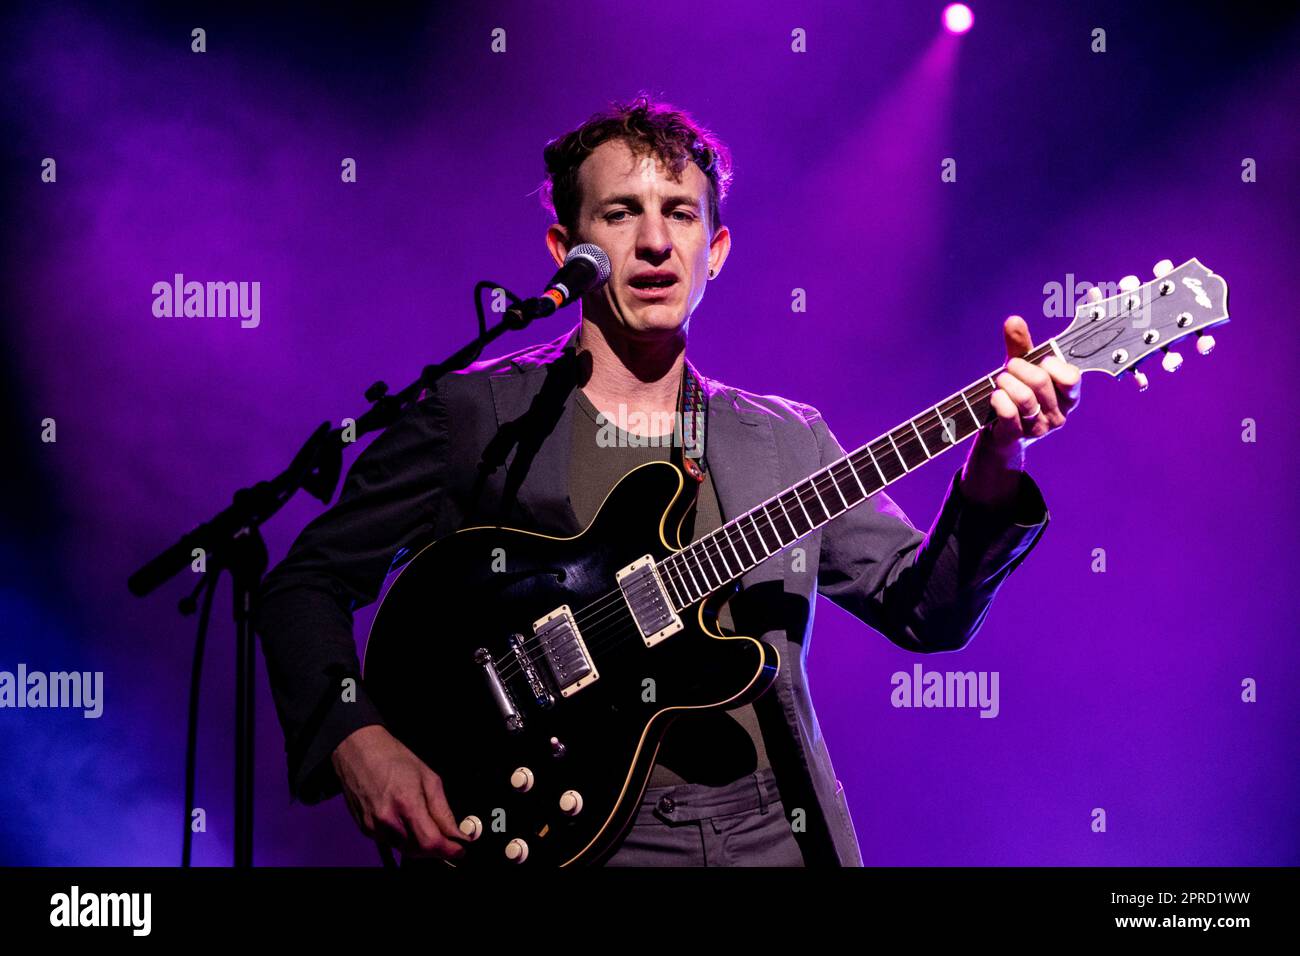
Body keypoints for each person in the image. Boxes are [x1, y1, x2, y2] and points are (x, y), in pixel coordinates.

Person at [255, 94, 1080, 867]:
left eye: (680, 214)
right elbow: (305, 582)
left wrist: (995, 460)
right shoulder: (476, 414)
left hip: (773, 834)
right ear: (563, 250)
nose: (655, 242)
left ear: (713, 251)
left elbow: (926, 614)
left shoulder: (787, 439)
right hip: (567, 839)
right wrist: (354, 737)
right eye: (621, 214)